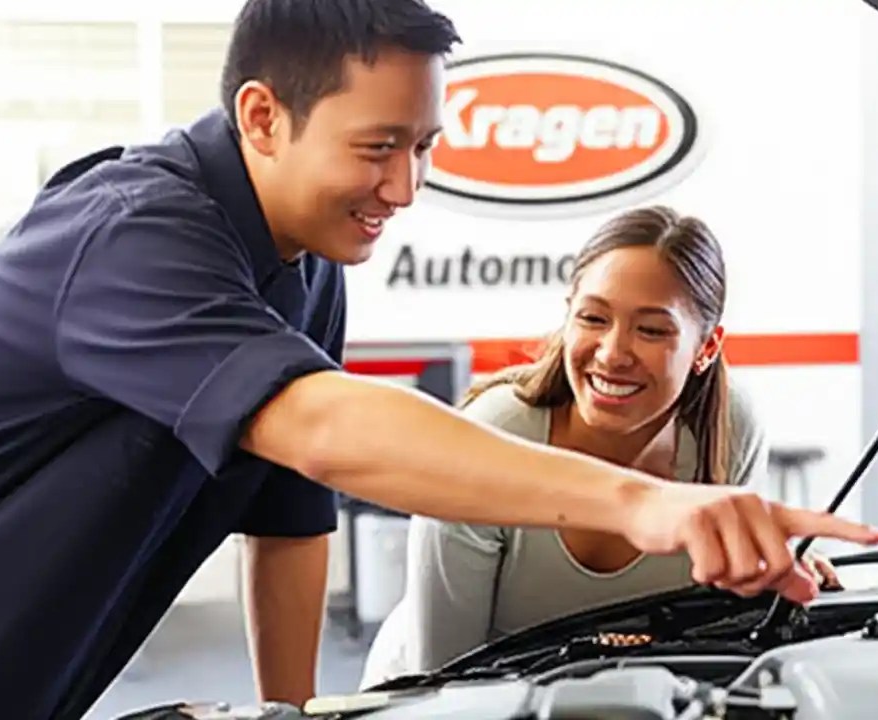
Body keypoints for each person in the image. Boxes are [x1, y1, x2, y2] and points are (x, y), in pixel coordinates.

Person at [0, 2, 878, 718]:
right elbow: (325, 428)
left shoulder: (306, 266)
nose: (405, 187)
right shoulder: (131, 231)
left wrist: (291, 712)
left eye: (425, 147)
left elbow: (287, 517)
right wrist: (643, 502)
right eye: (377, 146)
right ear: (262, 116)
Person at [358, 206, 840, 687]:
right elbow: (443, 681)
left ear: (707, 347)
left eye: (651, 330)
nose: (612, 354)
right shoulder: (495, 434)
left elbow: (721, 627)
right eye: (592, 318)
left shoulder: (729, 427)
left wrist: (770, 572)